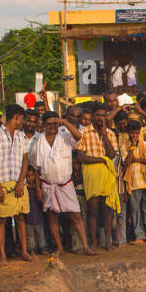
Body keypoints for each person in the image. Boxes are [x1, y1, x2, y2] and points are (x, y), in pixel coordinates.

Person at [31, 99, 93, 256]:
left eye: (54, 124)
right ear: (43, 124)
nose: (52, 127)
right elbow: (37, 169)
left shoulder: (65, 134)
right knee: (52, 217)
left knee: (76, 215)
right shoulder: (38, 143)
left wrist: (64, 121)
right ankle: (59, 247)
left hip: (66, 183)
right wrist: (38, 188)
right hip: (47, 184)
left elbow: (79, 137)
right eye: (49, 124)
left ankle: (85, 246)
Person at [0, 104, 33, 265]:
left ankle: (24, 251)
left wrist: (21, 181)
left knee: (20, 217)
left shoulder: (21, 137)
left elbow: (25, 160)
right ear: (16, 118)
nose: (23, 123)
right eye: (22, 119)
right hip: (3, 182)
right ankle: (2, 255)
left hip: (19, 182)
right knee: (1, 219)